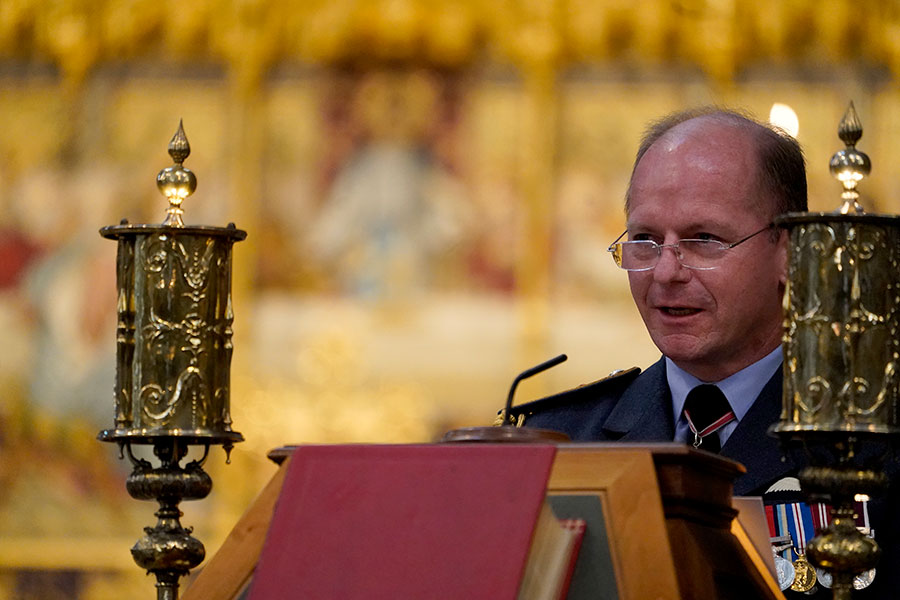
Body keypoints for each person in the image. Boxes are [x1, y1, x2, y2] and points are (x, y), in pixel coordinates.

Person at [502, 108, 898, 597]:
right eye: (645, 240)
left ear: (790, 252)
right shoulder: (565, 441)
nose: (666, 271)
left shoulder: (871, 438)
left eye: (704, 239)